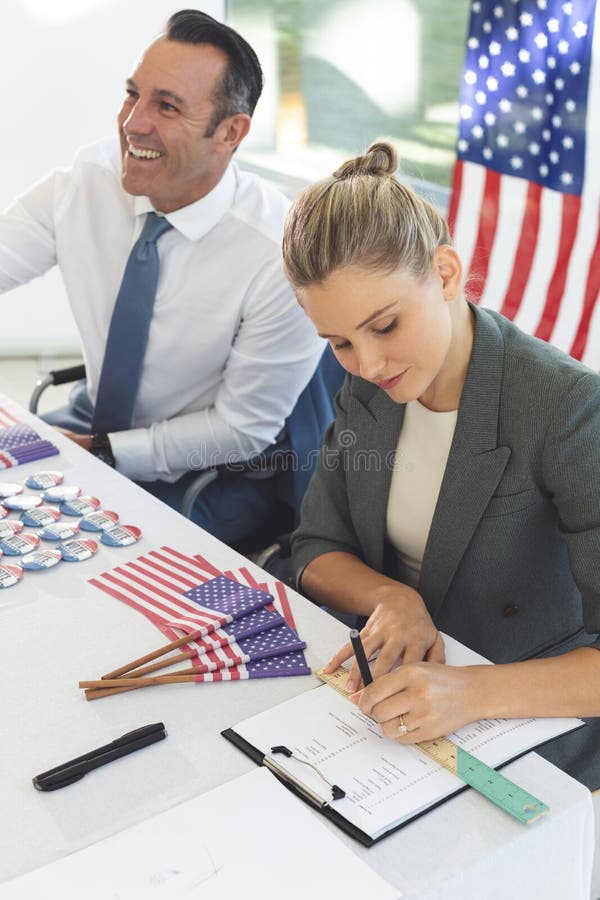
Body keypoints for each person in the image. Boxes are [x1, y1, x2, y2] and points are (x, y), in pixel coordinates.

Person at [282, 141, 600, 790]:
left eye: (386, 325)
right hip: (389, 709)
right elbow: (314, 546)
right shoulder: (370, 385)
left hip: (527, 724)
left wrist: (471, 692)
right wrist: (392, 599)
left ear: (448, 273)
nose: (367, 365)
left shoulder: (566, 408)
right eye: (339, 343)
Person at [0, 9, 323, 543]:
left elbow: (241, 431)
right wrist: (89, 446)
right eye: (133, 94)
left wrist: (101, 453)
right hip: (90, 421)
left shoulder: (278, 252)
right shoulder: (92, 177)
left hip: (206, 475)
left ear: (230, 133)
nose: (133, 123)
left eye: (166, 106)